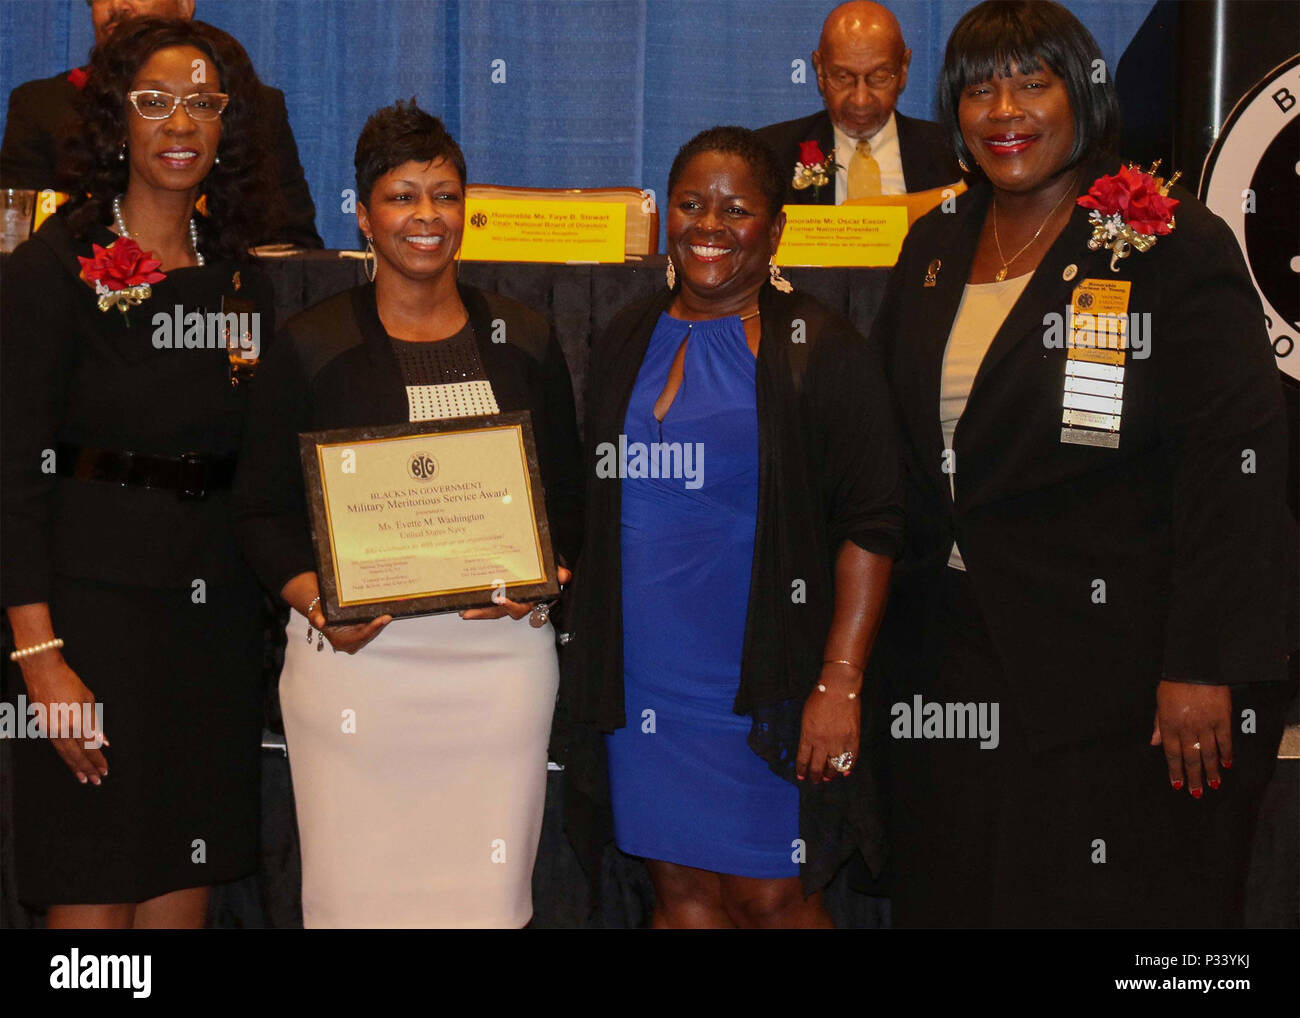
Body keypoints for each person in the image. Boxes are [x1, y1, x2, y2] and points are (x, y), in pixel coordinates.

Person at [873, 0, 1296, 927]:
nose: (1003, 110)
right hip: (952, 659)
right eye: (979, 88)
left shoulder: (1165, 242)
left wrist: (1204, 665)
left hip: (1118, 672)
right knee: (960, 894)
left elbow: (1235, 470)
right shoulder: (936, 243)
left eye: (1033, 81)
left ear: (1086, 93)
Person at [232, 99, 583, 929]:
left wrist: (545, 582)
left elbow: (571, 504)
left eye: (445, 195)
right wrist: (320, 603)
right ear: (363, 214)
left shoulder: (525, 337)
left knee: (487, 905)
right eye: (401, 196)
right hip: (357, 670)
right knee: (357, 903)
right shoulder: (311, 345)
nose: (426, 216)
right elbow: (257, 510)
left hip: (497, 668)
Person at [556, 126, 902, 928]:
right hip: (644, 677)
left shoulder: (818, 345)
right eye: (689, 205)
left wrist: (840, 680)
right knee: (680, 895)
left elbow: (874, 521)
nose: (708, 226)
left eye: (735, 209)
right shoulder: (625, 335)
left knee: (772, 894)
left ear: (775, 229)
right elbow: (594, 497)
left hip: (763, 677)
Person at [1, 17, 277, 929]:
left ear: (226, 127)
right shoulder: (51, 269)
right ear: (118, 120)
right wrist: (41, 662)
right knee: (92, 907)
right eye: (155, 102)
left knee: (177, 897)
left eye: (202, 103)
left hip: (212, 632)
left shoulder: (243, 281)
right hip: (90, 630)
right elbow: (14, 477)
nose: (179, 124)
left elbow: (268, 471)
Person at [1, 0, 322, 248]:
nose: (116, 6)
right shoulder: (42, 105)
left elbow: (292, 253)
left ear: (185, 6)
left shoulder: (251, 105)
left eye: (201, 106)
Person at [755, 0, 960, 205]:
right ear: (819, 70)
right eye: (842, 77)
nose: (860, 100)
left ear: (903, 69)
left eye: (879, 77)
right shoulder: (771, 156)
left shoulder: (952, 154)